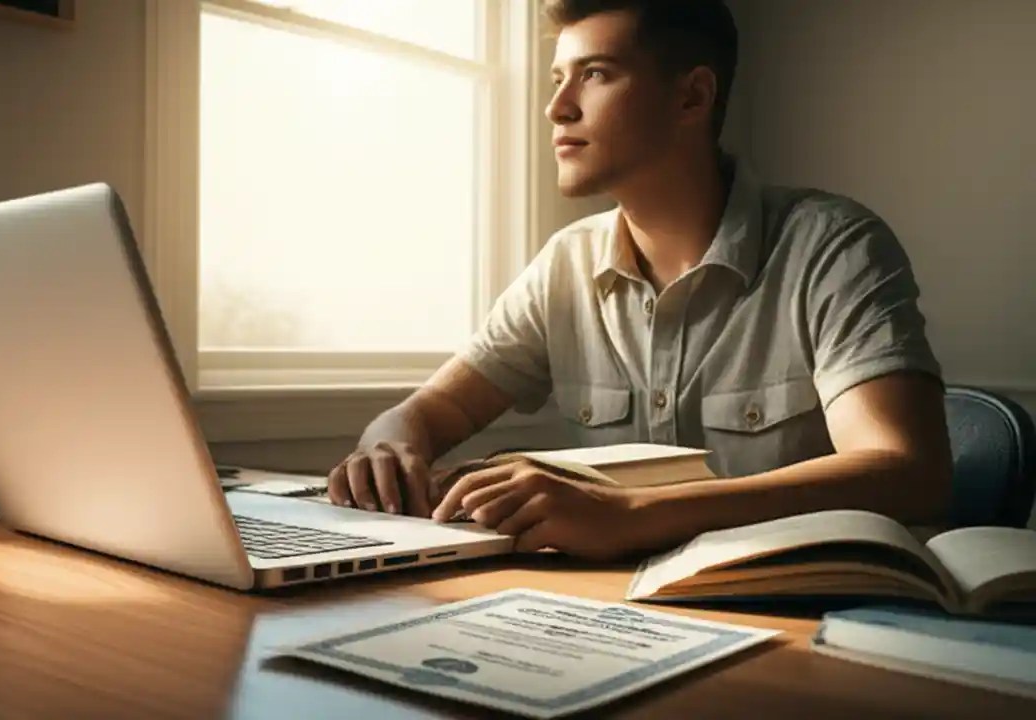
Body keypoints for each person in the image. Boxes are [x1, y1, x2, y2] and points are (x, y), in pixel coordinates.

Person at [325, 0, 952, 560]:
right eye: (556, 78)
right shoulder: (565, 265)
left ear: (691, 97)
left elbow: (908, 472)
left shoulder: (831, 245)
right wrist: (388, 445)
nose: (556, 106)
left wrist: (633, 514)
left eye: (594, 74)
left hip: (804, 618)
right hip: (618, 617)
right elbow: (432, 411)